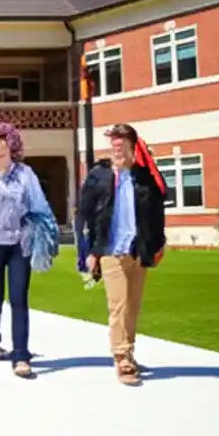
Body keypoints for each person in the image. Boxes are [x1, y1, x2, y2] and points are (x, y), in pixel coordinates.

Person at [0, 122, 58, 379]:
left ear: (11, 146)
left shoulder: (26, 175)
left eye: (0, 142)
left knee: (19, 299)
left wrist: (47, 233)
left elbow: (40, 205)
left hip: (19, 244)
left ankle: (21, 355)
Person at [75, 123, 166, 386]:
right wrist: (88, 252)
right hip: (110, 250)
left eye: (121, 143)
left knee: (133, 306)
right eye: (113, 143)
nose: (117, 148)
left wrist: (158, 245)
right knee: (119, 305)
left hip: (137, 251)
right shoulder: (99, 176)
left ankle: (128, 349)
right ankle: (122, 356)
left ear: (132, 146)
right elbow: (84, 214)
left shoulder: (145, 177)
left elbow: (157, 214)